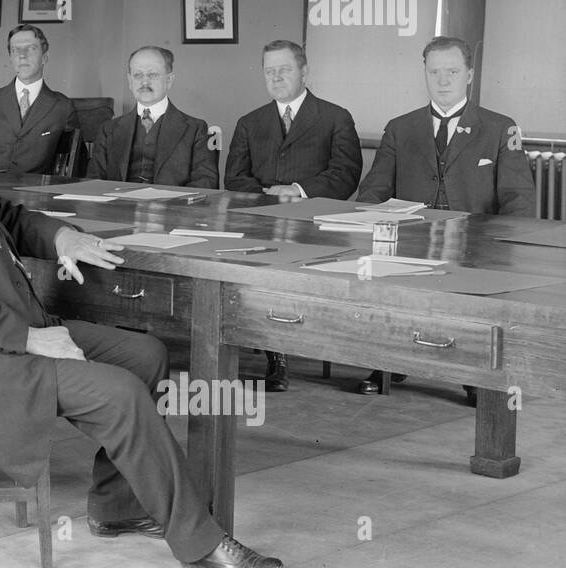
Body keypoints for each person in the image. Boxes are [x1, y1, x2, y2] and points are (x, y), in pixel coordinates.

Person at [0, 62, 283, 568]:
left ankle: (116, 506)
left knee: (146, 353)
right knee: (122, 394)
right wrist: (33, 338)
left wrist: (61, 238)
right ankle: (201, 540)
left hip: (4, 334)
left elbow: (3, 217)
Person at [355, 35, 535, 397]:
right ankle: (390, 362)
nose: (443, 80)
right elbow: (373, 188)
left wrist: (506, 246)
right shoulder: (400, 127)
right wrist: (364, 220)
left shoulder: (501, 128)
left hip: (475, 244)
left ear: (469, 74)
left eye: (452, 71)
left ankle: (474, 374)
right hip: (411, 239)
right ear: (424, 73)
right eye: (434, 72)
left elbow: (518, 197)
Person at [224, 40, 363, 392]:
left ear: (304, 71)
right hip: (261, 224)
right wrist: (267, 197)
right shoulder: (250, 122)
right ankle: (276, 357)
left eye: (283, 69)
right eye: (269, 71)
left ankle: (295, 346)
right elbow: (234, 178)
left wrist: (297, 191)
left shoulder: (335, 117)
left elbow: (345, 174)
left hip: (315, 226)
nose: (276, 77)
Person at [88, 46, 217, 187]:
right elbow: (94, 182)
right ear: (130, 81)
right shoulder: (109, 130)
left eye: (152, 75)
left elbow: (206, 183)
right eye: (138, 75)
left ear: (169, 80)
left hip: (171, 206)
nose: (144, 82)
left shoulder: (196, 129)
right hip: (119, 206)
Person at [0, 25, 80, 173]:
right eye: (15, 50)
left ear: (44, 58)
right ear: (11, 59)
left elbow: (72, 163)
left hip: (36, 191)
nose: (22, 55)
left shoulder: (63, 107)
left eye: (31, 48)